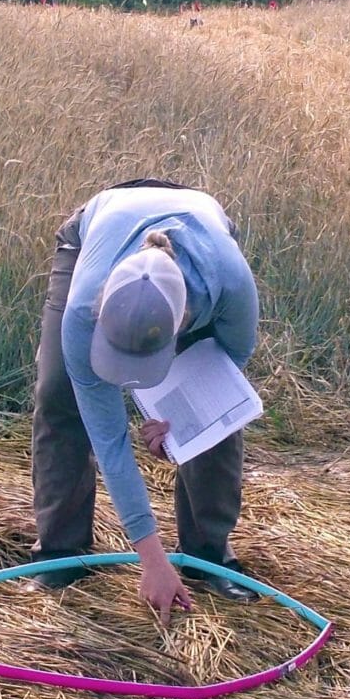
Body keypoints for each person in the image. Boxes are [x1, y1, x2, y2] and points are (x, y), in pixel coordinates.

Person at [32, 180, 261, 625]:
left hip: (201, 233)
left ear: (184, 321)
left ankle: (207, 555)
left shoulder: (230, 286)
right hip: (97, 228)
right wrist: (152, 561)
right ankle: (61, 553)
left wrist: (182, 418)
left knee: (218, 414)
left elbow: (224, 375)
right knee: (60, 394)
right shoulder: (84, 309)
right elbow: (111, 440)